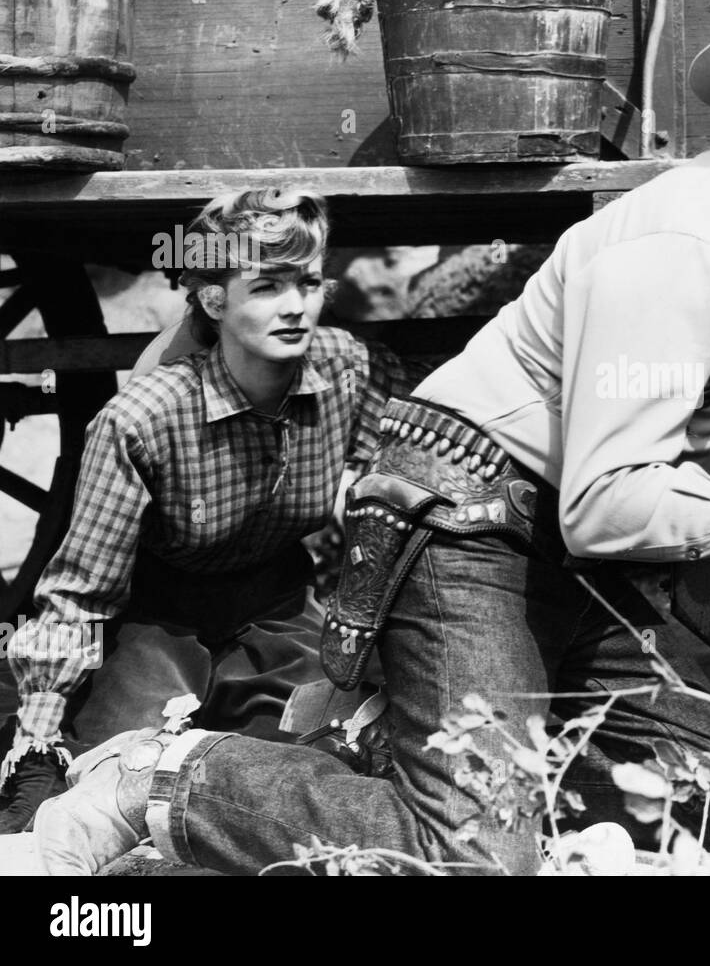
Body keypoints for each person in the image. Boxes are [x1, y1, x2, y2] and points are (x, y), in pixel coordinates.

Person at [31, 0, 710, 875]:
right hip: (469, 529)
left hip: (584, 557)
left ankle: (422, 760)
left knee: (706, 813)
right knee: (475, 857)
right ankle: (167, 772)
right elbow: (608, 505)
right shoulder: (683, 245)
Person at [0, 189, 410, 833]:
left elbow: (399, 478)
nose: (296, 305)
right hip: (156, 612)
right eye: (267, 285)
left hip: (278, 601)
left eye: (308, 282)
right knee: (115, 780)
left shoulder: (348, 369)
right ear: (215, 299)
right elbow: (80, 592)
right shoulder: (143, 418)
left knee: (313, 772)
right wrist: (38, 733)